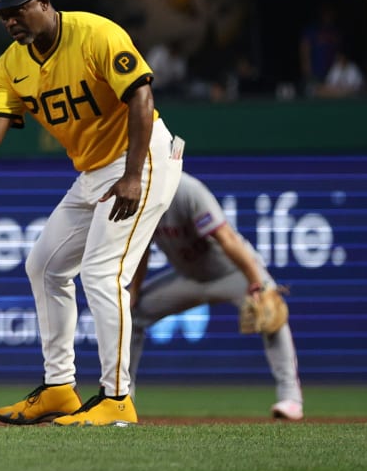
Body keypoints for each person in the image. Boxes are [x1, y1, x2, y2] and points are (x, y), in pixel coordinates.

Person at [0, 0, 183, 427]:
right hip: (93, 170)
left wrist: (134, 175)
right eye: (3, 14)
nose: (11, 21)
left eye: (18, 9)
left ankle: (117, 398)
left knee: (101, 274)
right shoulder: (11, 63)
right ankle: (60, 388)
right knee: (44, 265)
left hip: (143, 157)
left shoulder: (95, 33)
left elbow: (140, 96)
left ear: (44, 2)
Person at [129, 172, 304, 419]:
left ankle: (291, 399)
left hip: (231, 272)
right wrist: (134, 291)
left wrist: (256, 282)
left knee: (271, 309)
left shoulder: (188, 190)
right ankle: (123, 397)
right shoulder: (141, 192)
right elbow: (141, 250)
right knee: (131, 313)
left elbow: (228, 238)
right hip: (188, 278)